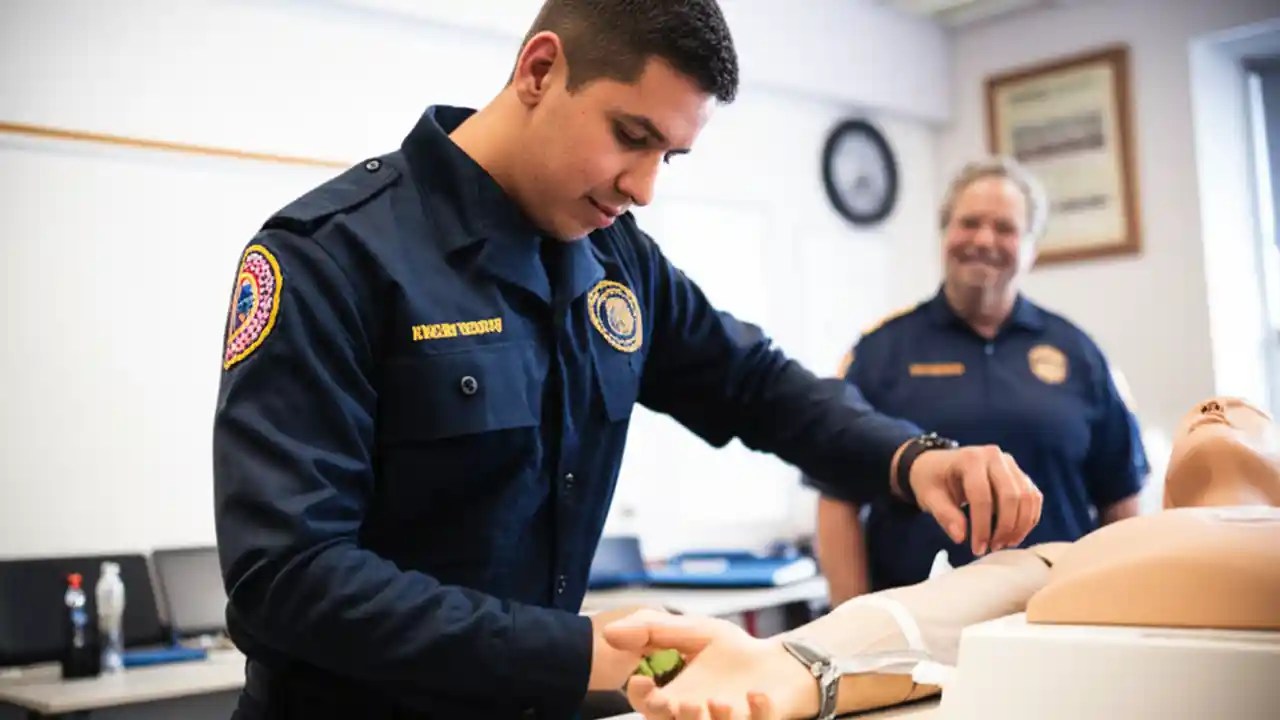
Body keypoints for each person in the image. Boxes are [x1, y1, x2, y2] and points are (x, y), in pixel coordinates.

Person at [211, 2, 1043, 717]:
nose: (644, 187)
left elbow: (752, 384)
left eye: (669, 156)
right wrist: (583, 654)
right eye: (630, 137)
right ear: (540, 70)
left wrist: (910, 458)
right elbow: (289, 576)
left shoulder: (616, 260)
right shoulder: (332, 259)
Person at [608, 395, 1279, 719]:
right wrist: (790, 665)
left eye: (1246, 409)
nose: (1215, 406)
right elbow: (935, 623)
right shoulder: (1081, 558)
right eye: (1206, 407)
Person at [811, 157, 1150, 604]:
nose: (984, 240)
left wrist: (1122, 606)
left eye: (1005, 228)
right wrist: (848, 633)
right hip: (915, 625)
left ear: (1032, 246)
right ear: (945, 233)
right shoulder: (880, 352)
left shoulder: (1080, 353)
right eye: (969, 223)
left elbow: (1120, 498)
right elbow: (838, 500)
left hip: (1057, 614)